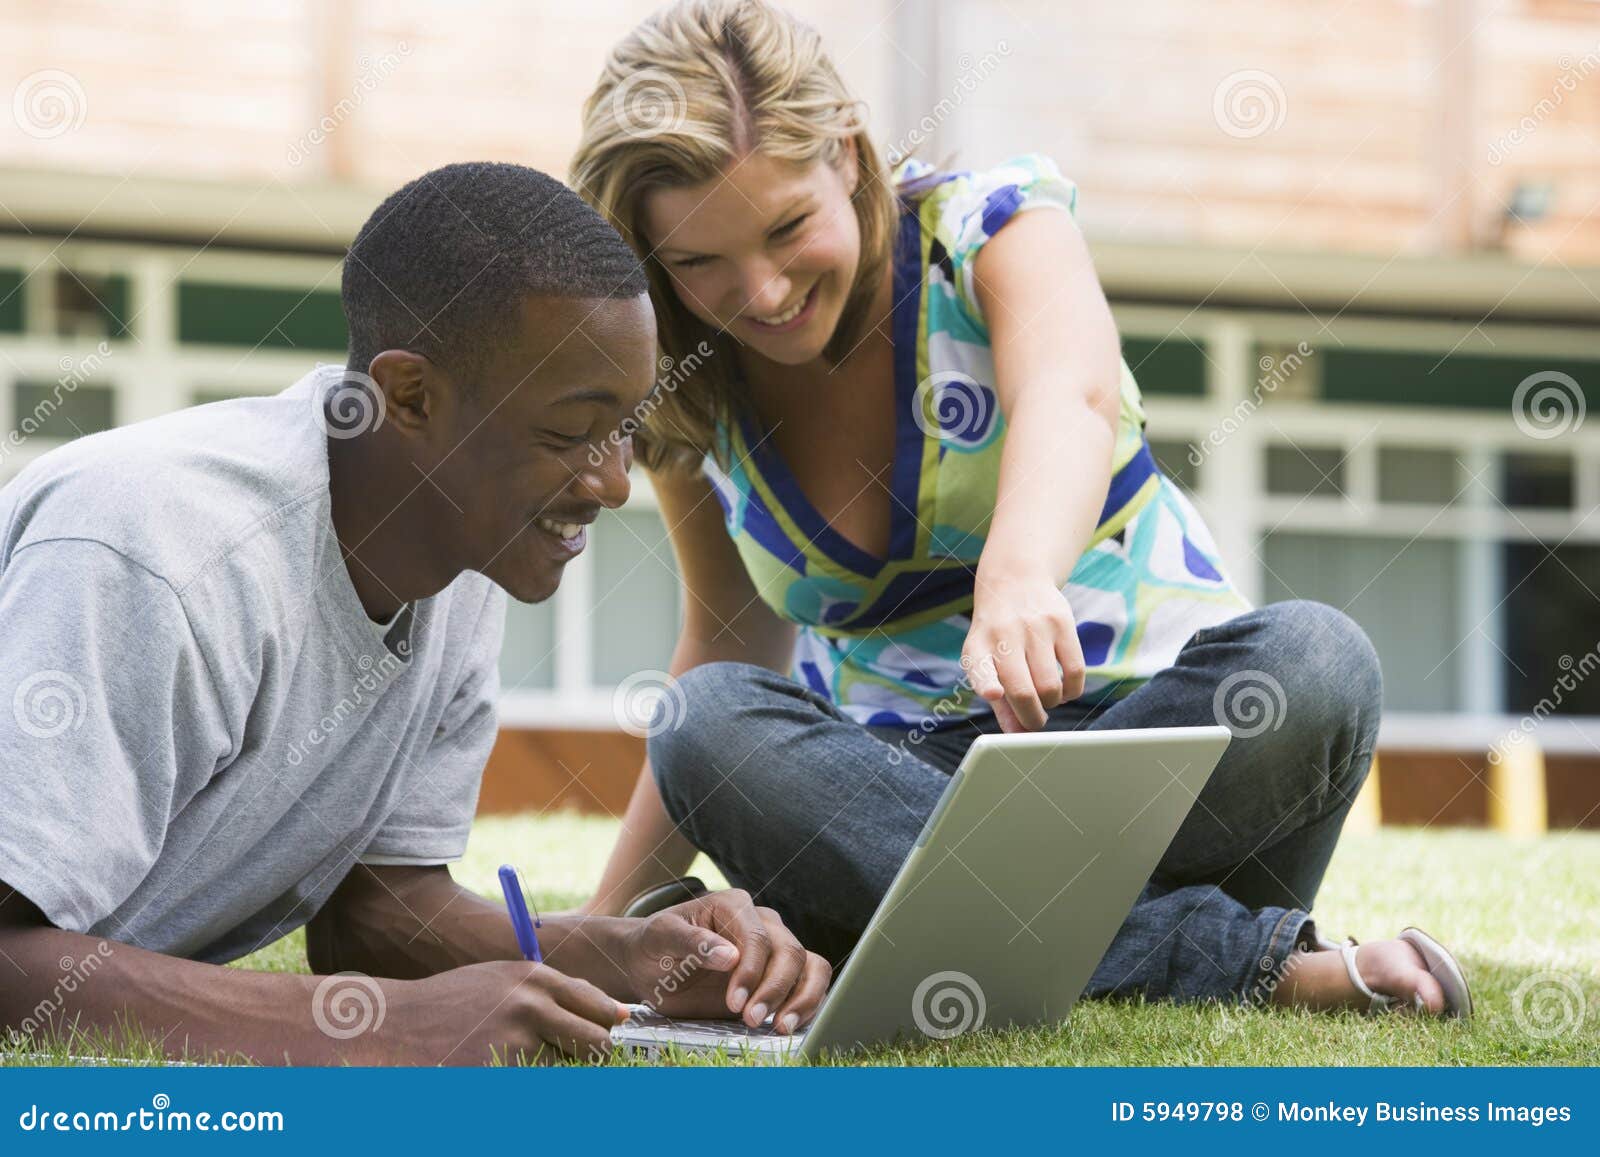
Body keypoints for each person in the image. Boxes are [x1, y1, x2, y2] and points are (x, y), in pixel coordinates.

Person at [568, 0, 1469, 1018]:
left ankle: (916, 934)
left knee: (1316, 660)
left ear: (852, 163)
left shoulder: (992, 228)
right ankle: (1240, 960)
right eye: (699, 262)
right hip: (896, 790)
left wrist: (1018, 571)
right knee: (703, 719)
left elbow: (1070, 397)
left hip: (1152, 747)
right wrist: (601, 925)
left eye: (787, 228)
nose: (764, 290)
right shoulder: (692, 391)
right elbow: (728, 636)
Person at [0, 161, 830, 1066]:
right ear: (409, 397)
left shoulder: (462, 553)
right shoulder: (154, 550)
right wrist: (378, 1027)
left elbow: (378, 914)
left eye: (625, 426)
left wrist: (631, 956)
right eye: (569, 433)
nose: (613, 481)